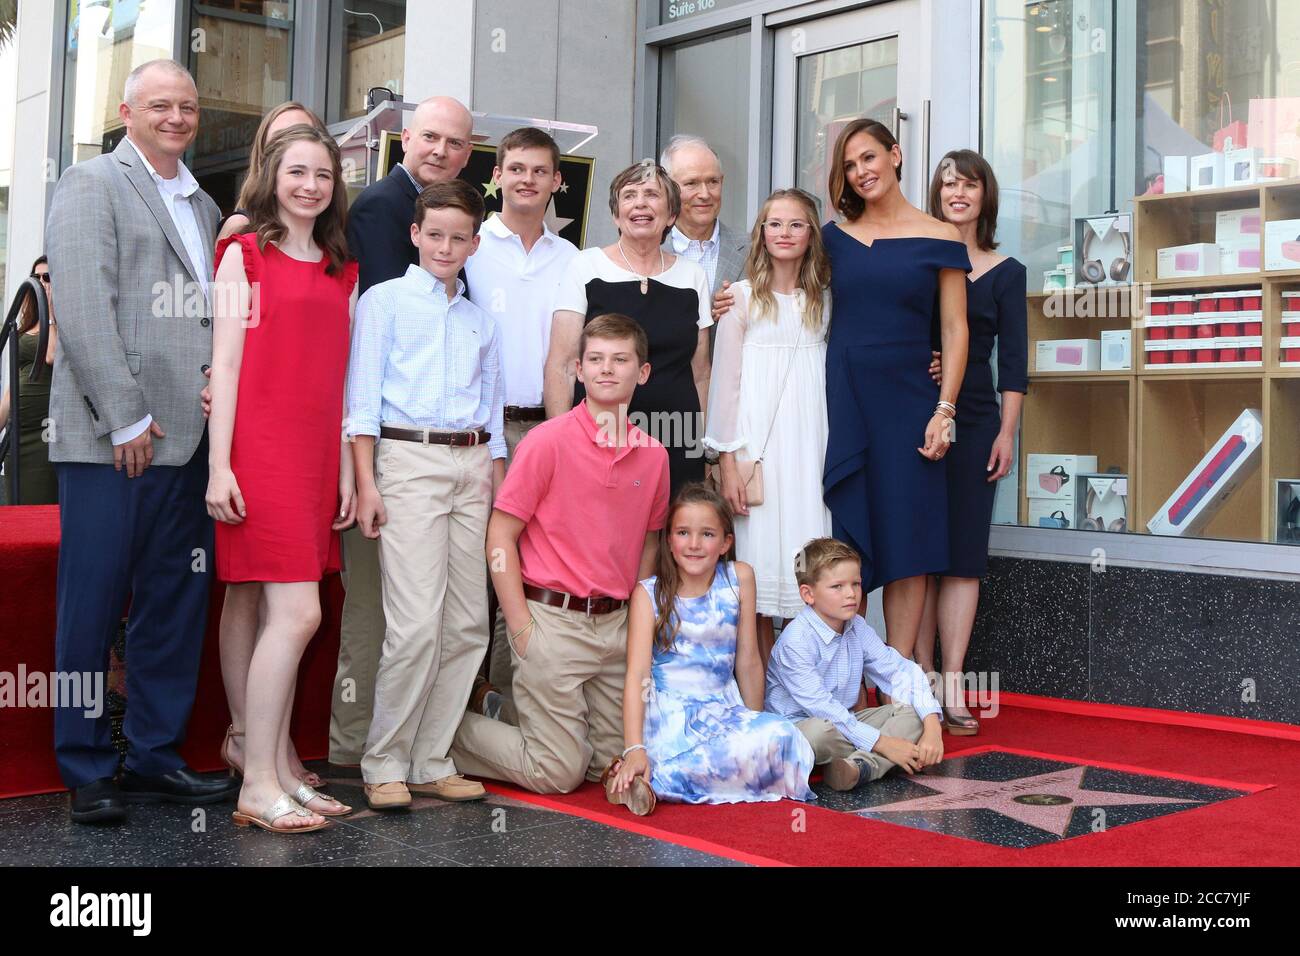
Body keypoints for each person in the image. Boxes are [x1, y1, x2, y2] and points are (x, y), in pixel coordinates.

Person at [45, 59, 236, 824]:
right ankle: (85, 765)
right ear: (127, 111)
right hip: (112, 441)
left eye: (188, 105)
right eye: (160, 104)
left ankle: (155, 758)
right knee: (88, 610)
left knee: (172, 606)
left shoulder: (204, 203)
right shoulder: (93, 184)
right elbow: (85, 301)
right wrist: (122, 414)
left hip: (189, 441)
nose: (177, 117)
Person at [207, 124, 358, 832]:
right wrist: (219, 466)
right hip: (260, 455)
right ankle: (257, 781)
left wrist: (349, 473)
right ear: (272, 175)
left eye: (322, 175)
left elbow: (341, 378)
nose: (310, 186)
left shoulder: (340, 266)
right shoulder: (243, 256)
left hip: (314, 459)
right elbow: (227, 366)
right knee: (300, 614)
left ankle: (276, 770)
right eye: (297, 171)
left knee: (289, 616)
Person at [452, 313, 671, 794]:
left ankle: (499, 709)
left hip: (615, 628)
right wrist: (520, 625)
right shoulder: (546, 442)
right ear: (578, 369)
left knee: (608, 764)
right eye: (595, 359)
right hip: (553, 621)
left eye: (620, 360)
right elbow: (500, 536)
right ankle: (442, 731)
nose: (606, 369)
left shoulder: (654, 455)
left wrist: (637, 625)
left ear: (643, 372)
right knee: (558, 772)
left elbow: (649, 543)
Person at [347, 179, 505, 810]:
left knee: (467, 623)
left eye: (459, 237)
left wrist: (494, 480)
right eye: (434, 234)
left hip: (472, 465)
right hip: (406, 460)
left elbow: (492, 413)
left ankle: (431, 756)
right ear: (415, 235)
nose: (445, 246)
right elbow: (360, 401)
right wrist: (366, 482)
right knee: (414, 624)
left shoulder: (480, 321)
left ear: (473, 244)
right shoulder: (382, 303)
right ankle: (383, 759)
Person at [330, 95, 476, 772]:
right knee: (385, 612)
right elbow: (385, 344)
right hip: (393, 441)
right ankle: (362, 750)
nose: (440, 149)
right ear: (405, 139)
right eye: (430, 137)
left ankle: (420, 755)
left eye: (454, 141)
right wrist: (363, 471)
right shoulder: (382, 209)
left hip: (456, 450)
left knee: (449, 619)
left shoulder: (460, 231)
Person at [819, 118, 970, 668]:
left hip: (912, 404)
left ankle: (898, 678)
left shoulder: (941, 236)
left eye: (869, 158)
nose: (861, 172)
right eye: (850, 165)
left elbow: (955, 330)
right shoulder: (830, 238)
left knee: (909, 543)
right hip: (846, 400)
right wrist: (731, 303)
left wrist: (944, 409)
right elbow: (783, 289)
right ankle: (848, 677)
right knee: (850, 537)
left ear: (896, 154)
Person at [463, 126, 579, 724]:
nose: (527, 179)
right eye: (516, 168)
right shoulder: (469, 247)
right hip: (481, 430)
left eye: (539, 170)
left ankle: (510, 706)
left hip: (547, 428)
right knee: (473, 567)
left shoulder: (574, 259)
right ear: (498, 175)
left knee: (530, 567)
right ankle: (459, 708)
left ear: (558, 181)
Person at [607, 483, 815, 814]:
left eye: (706, 534)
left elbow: (747, 661)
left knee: (781, 736)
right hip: (671, 717)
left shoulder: (739, 578)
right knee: (710, 755)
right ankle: (642, 769)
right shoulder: (649, 594)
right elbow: (637, 675)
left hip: (724, 708)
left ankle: (650, 782)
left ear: (725, 543)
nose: (693, 544)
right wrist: (634, 746)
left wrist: (752, 723)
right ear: (670, 542)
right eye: (683, 533)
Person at [915, 150, 1027, 735]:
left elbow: (1014, 363)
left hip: (978, 420)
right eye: (948, 183)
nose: (957, 192)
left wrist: (1007, 432)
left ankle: (953, 683)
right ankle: (918, 680)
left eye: (969, 184)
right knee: (920, 552)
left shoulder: (1006, 271)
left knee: (961, 555)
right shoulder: (918, 256)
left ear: (986, 195)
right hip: (916, 414)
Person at [703, 188, 832, 665]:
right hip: (755, 449)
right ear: (760, 233)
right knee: (755, 577)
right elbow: (724, 386)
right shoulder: (739, 298)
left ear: (811, 234)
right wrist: (729, 462)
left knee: (809, 562)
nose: (784, 233)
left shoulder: (824, 301)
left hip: (811, 446)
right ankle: (759, 688)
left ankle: (804, 682)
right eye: (774, 224)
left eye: (796, 224)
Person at [544, 161, 713, 495]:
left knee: (671, 539)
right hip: (599, 434)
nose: (640, 203)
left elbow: (701, 374)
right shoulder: (586, 266)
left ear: (671, 215)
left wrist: (703, 447)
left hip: (677, 439)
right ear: (616, 214)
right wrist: (558, 442)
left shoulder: (693, 276)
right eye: (629, 195)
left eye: (652, 195)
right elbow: (562, 365)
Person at [766, 537, 944, 791]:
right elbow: (822, 708)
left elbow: (900, 670)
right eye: (837, 586)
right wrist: (884, 742)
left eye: (856, 584)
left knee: (913, 711)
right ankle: (878, 758)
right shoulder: (796, 640)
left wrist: (932, 726)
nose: (851, 594)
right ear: (808, 594)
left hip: (845, 722)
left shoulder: (857, 628)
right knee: (816, 734)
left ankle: (859, 767)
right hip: (802, 726)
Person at [216, 101, 332, 242]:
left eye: (302, 135)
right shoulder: (241, 226)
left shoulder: (331, 233)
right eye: (279, 139)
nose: (292, 146)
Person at [0, 256, 59, 504]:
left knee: (39, 511)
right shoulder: (25, 325)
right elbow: (11, 391)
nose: (42, 283)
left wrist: (53, 311)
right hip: (19, 433)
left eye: (48, 277)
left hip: (46, 433)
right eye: (37, 278)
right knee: (17, 510)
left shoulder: (61, 325)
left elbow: (51, 355)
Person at [659, 135, 749, 296]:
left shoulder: (753, 249)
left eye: (713, 181)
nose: (705, 194)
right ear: (667, 187)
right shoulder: (647, 251)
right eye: (691, 183)